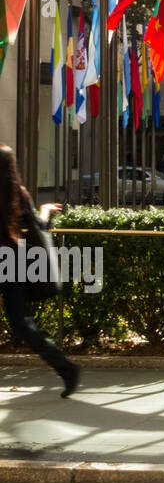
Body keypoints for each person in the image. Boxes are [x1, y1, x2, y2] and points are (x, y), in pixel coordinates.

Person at [0, 145, 79, 397]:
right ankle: (65, 368)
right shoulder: (18, 194)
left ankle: (67, 369)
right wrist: (44, 210)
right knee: (21, 325)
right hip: (15, 263)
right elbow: (37, 226)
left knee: (21, 323)